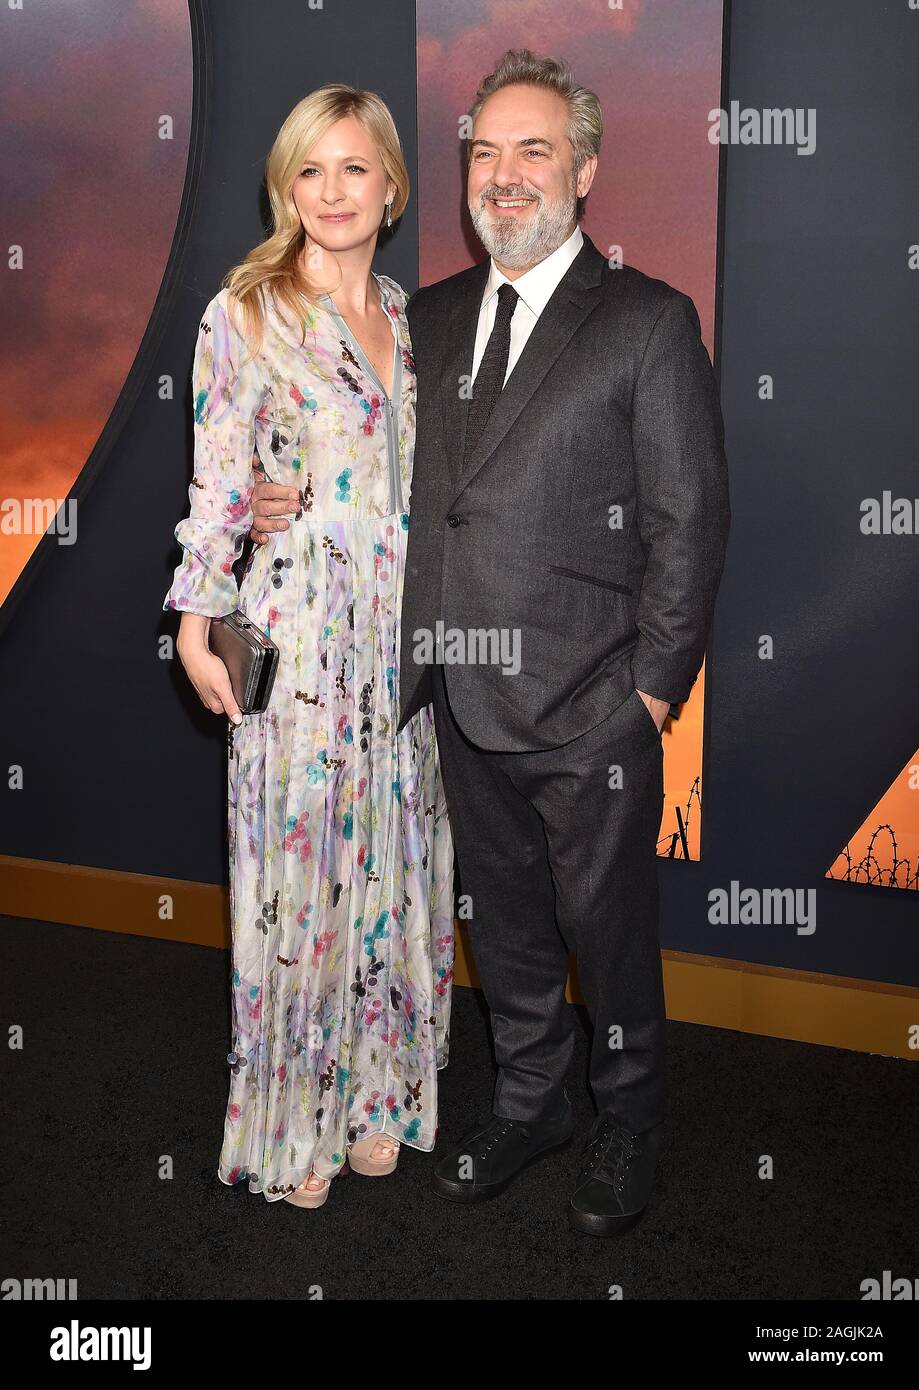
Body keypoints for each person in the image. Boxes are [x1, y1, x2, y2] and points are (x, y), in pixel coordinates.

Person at [251, 48, 731, 1237]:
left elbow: (691, 523)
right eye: (484, 153)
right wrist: (272, 494)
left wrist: (652, 698)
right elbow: (364, 457)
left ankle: (627, 1122)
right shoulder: (430, 317)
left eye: (533, 152)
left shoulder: (648, 321)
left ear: (584, 169)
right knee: (505, 930)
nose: (504, 177)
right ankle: (531, 1100)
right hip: (454, 700)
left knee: (607, 937)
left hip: (592, 710)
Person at [162, 85, 454, 1210]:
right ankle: (297, 1123)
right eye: (309, 172)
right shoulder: (245, 312)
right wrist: (197, 617)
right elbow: (217, 482)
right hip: (297, 631)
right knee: (301, 877)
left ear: (392, 182)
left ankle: (377, 1092)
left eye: (354, 169)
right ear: (286, 189)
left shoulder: (411, 317)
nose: (332, 193)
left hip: (399, 640)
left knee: (391, 863)